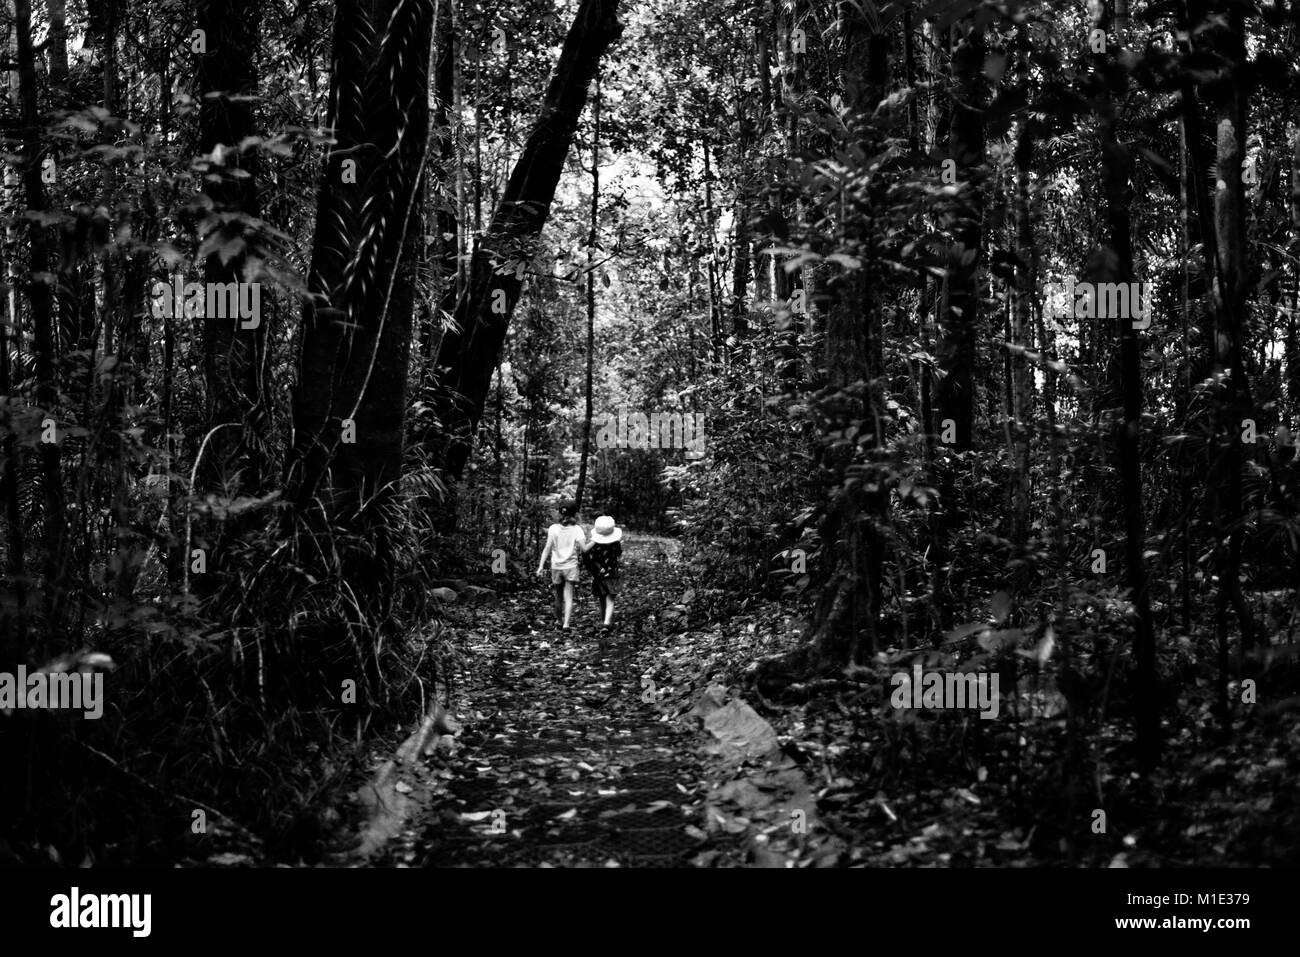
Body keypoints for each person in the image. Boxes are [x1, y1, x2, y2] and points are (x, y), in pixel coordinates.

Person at [537, 500, 587, 631]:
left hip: (556, 566)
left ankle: (558, 621)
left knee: (558, 596)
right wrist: (595, 540)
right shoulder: (577, 530)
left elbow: (547, 548)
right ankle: (566, 624)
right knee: (568, 596)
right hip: (570, 566)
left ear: (559, 513)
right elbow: (584, 548)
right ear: (575, 515)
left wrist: (541, 566)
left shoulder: (553, 528)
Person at [581, 515, 622, 630]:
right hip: (613, 573)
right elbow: (619, 553)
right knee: (610, 599)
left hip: (599, 575)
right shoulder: (615, 544)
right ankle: (607, 622)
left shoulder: (595, 546)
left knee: (602, 599)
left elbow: (590, 558)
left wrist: (598, 568)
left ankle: (603, 620)